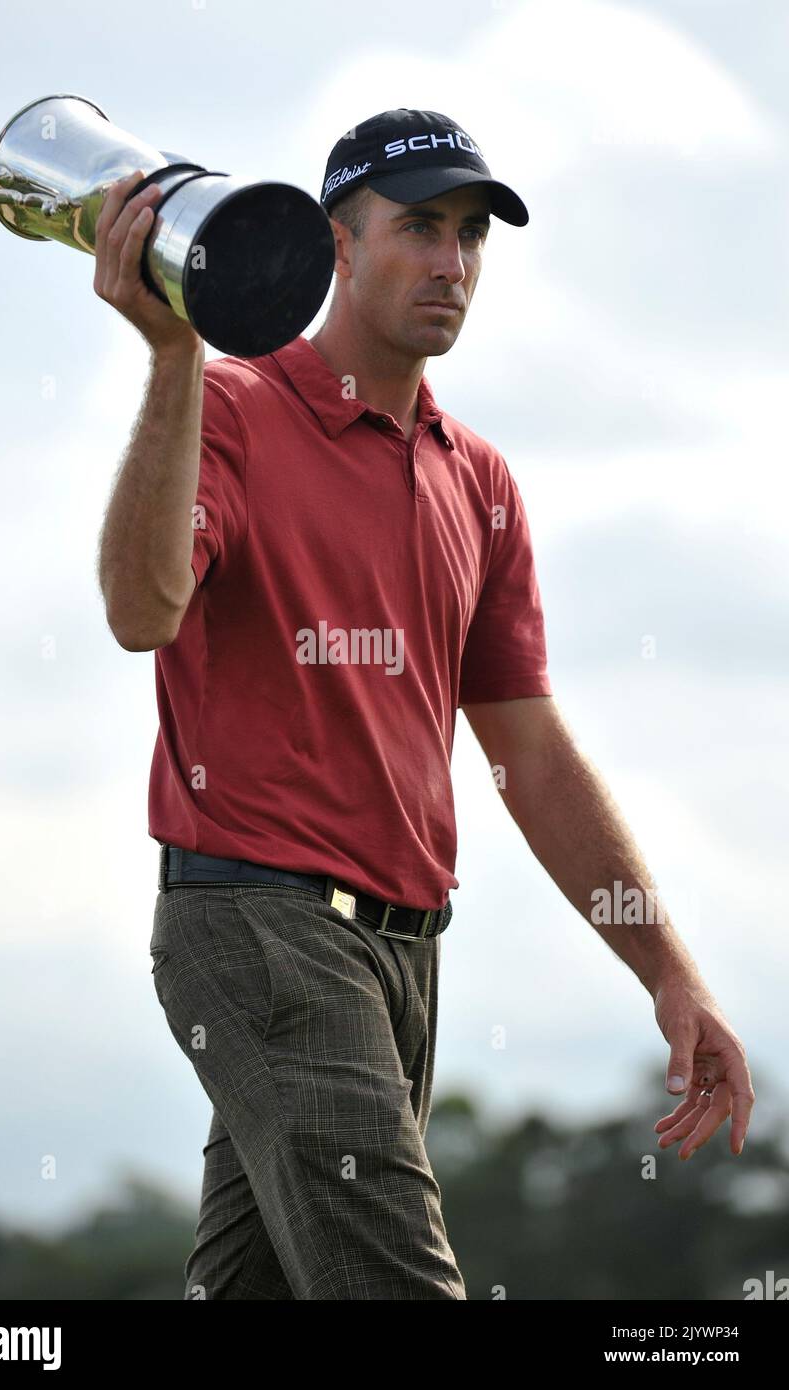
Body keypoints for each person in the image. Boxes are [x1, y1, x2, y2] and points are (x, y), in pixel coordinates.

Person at [95, 110, 755, 1301]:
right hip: (260, 928)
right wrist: (172, 359)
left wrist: (670, 971)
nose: (450, 263)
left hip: (405, 957)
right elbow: (142, 612)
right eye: (418, 229)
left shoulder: (478, 478)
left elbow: (533, 754)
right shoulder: (232, 406)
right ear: (337, 244)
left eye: (469, 237)